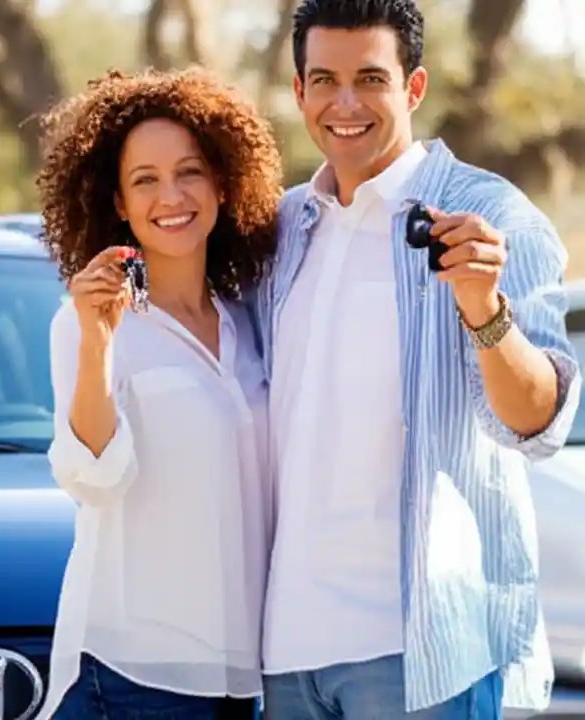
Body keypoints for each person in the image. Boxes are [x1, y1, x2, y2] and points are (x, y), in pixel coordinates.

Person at [249, 1, 583, 717]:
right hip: (282, 653)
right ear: (299, 89)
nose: (345, 103)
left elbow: (536, 421)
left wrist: (483, 307)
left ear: (414, 88)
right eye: (324, 80)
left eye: (370, 78)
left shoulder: (493, 217)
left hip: (422, 654)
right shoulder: (280, 230)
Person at [35, 66, 283, 720]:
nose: (170, 195)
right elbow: (93, 477)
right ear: (118, 202)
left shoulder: (245, 320)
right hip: (130, 676)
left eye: (190, 171)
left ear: (223, 183)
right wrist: (98, 344)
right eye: (145, 179)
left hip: (243, 681)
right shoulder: (90, 324)